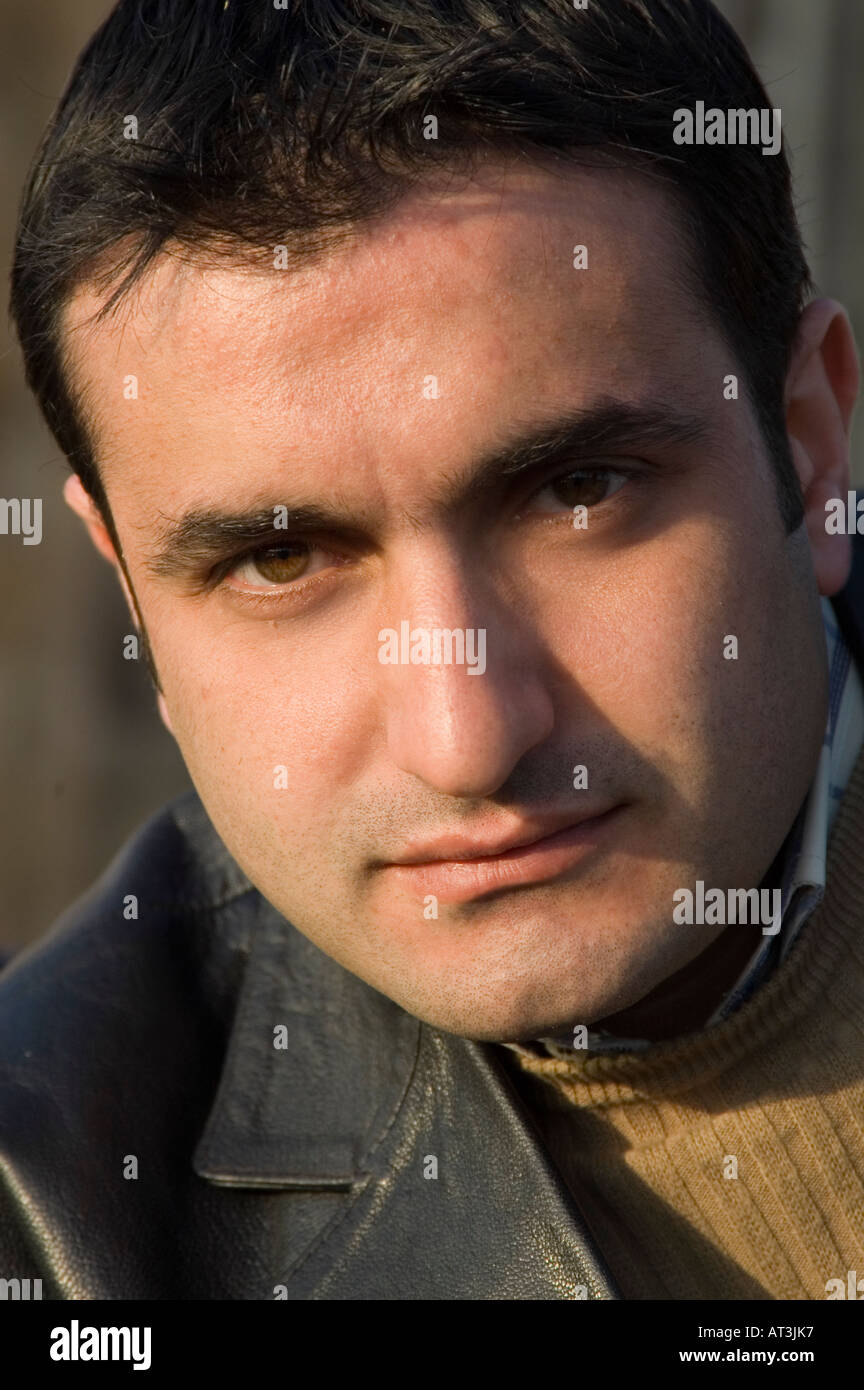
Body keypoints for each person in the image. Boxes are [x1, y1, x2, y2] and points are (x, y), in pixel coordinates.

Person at [1, 0, 862, 1301]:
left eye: (578, 490)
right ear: (131, 593)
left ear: (810, 437)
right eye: (281, 560)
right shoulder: (54, 1221)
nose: (468, 736)